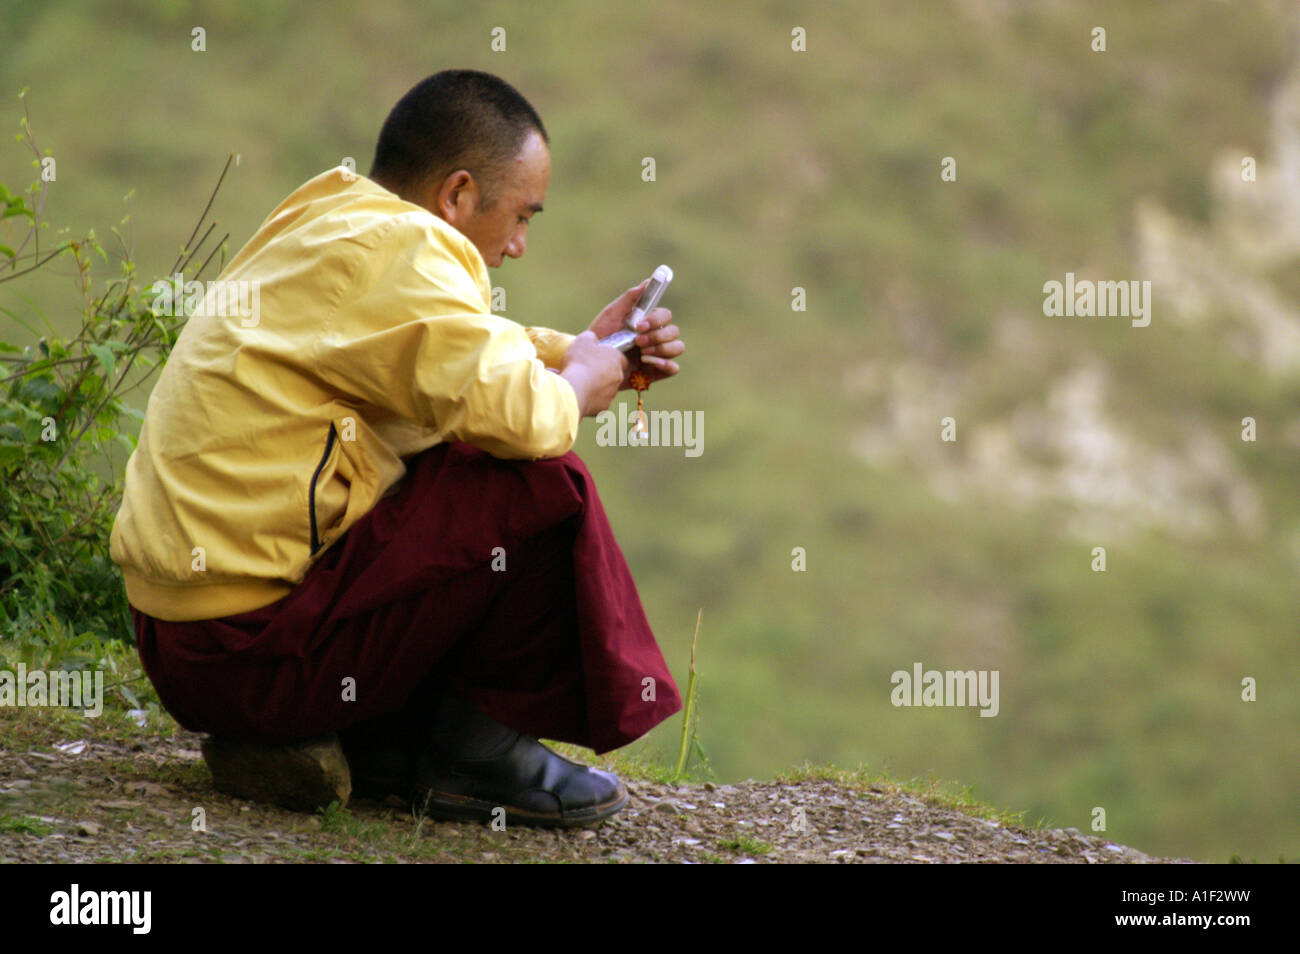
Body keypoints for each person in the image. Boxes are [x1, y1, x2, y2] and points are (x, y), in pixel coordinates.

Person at [109, 69, 686, 828]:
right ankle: (470, 752)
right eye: (519, 216)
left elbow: (448, 357)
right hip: (245, 660)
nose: (516, 246)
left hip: (183, 644)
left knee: (464, 453)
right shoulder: (403, 250)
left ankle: (392, 736)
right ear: (456, 195)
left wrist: (577, 351)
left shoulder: (335, 214)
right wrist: (577, 381)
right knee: (542, 483)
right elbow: (521, 417)